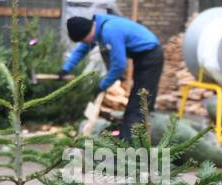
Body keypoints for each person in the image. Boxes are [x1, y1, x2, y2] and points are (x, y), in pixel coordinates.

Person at [60, 12, 164, 141]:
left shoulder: (109, 31)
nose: (84, 43)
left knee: (138, 105)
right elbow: (81, 50)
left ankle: (127, 147)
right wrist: (65, 68)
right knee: (141, 101)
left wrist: (102, 85)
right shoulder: (96, 27)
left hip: (151, 56)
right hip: (142, 56)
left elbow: (120, 66)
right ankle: (146, 137)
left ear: (86, 34)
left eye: (83, 40)